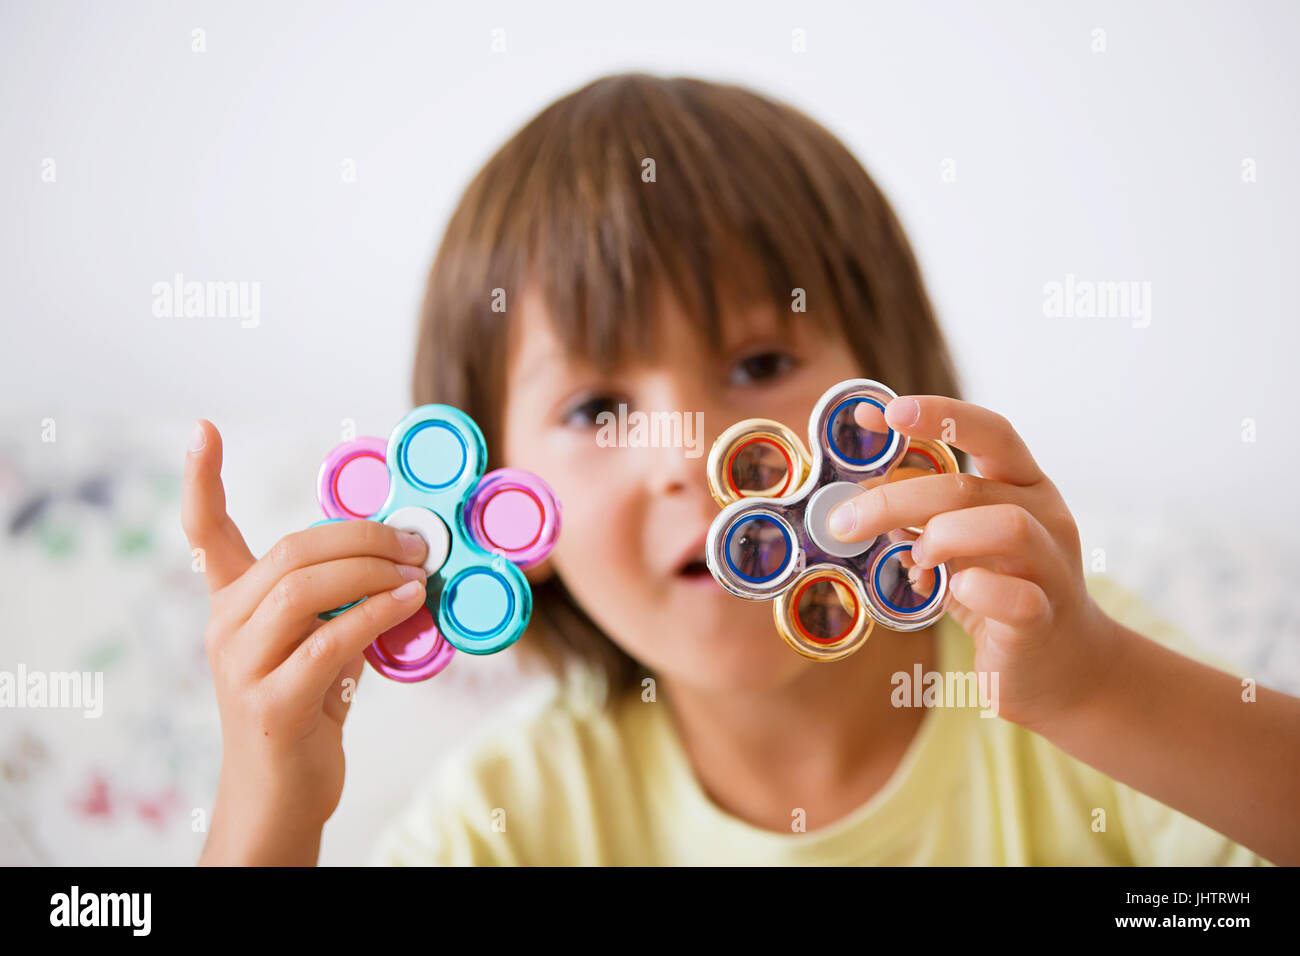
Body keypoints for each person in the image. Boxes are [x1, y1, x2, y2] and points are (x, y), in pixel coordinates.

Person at [182, 73, 1295, 866]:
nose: (691, 460)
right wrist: (267, 811)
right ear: (502, 510)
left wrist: (1097, 686)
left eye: (761, 360)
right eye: (598, 406)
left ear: (888, 405)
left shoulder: (1060, 670)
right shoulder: (509, 817)